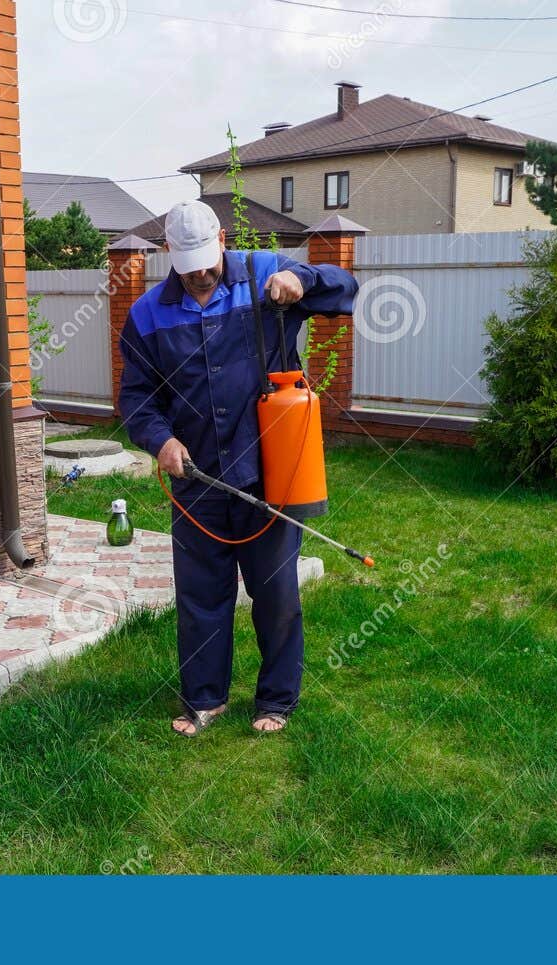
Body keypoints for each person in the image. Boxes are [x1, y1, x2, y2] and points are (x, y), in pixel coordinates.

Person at [117, 200, 358, 736]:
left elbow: (345, 290)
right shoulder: (147, 314)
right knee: (201, 597)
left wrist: (301, 278)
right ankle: (205, 699)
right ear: (166, 254)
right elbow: (136, 399)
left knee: (275, 596)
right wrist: (160, 441)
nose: (200, 273)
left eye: (206, 258)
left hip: (269, 472)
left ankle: (276, 701)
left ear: (222, 238)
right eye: (187, 264)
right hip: (196, 479)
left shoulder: (263, 274)